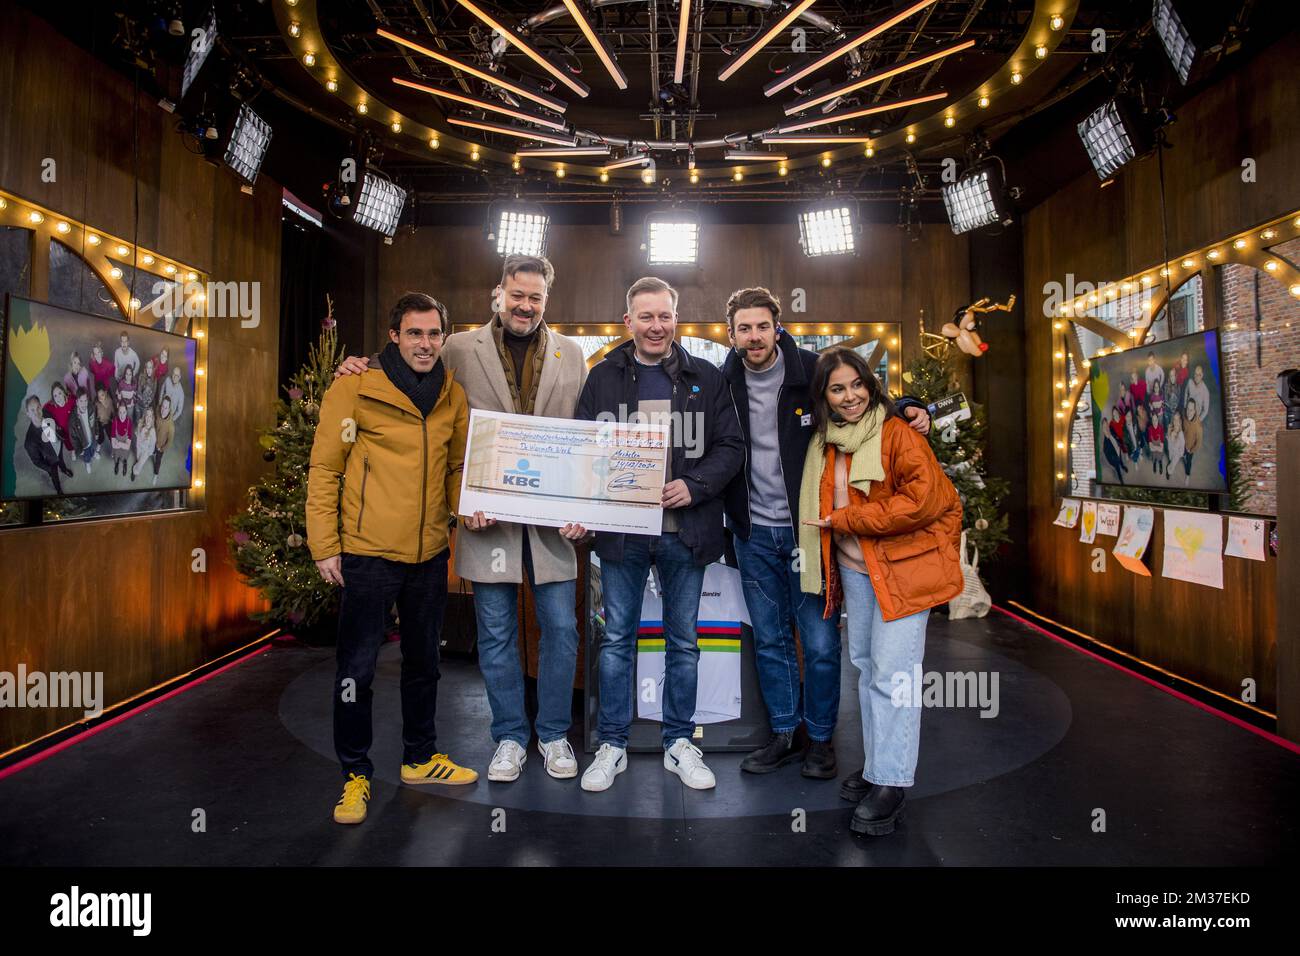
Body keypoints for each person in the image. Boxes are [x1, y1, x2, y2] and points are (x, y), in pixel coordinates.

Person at [334, 255, 589, 784]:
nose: (525, 305)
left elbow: (583, 439)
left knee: (562, 630)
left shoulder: (573, 354)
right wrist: (358, 366)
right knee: (495, 634)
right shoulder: (455, 347)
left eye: (536, 297)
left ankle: (555, 734)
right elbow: (408, 368)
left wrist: (585, 508)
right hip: (485, 519)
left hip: (552, 524)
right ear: (499, 293)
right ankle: (510, 739)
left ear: (547, 299)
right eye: (516, 295)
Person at [719, 286, 932, 783]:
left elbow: (864, 401)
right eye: (744, 329)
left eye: (762, 326)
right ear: (730, 335)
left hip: (810, 535)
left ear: (778, 327)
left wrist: (911, 406)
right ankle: (786, 733)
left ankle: (820, 739)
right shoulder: (720, 381)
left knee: (818, 642)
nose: (754, 337)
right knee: (770, 640)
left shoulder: (812, 370)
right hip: (751, 533)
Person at [308, 292, 473, 826]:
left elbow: (455, 469)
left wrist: (465, 509)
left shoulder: (452, 394)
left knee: (425, 665)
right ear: (395, 336)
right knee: (356, 669)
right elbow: (325, 469)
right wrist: (324, 545)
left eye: (433, 334)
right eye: (414, 333)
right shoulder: (353, 385)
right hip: (368, 552)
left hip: (429, 554)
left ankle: (419, 758)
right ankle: (354, 774)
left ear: (442, 337)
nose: (425, 344)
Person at [575, 276, 744, 793]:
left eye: (664, 315)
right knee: (619, 639)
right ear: (628, 321)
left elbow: (732, 447)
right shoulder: (602, 378)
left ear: (677, 319)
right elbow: (584, 448)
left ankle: (678, 742)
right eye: (645, 316)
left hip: (686, 533)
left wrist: (694, 486)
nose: (656, 325)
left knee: (683, 642)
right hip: (622, 536)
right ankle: (612, 744)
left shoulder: (708, 377)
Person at [799, 347, 962, 836]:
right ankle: (877, 768)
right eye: (837, 388)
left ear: (870, 385)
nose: (850, 396)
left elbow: (923, 501)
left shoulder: (898, 433)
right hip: (856, 569)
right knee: (869, 670)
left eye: (857, 385)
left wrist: (847, 519)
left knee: (895, 677)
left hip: (904, 569)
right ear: (825, 396)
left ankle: (892, 783)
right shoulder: (826, 441)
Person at [21, 395, 71, 494]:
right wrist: (50, 469)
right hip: (50, 461)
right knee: (55, 476)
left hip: (58, 446)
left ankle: (64, 469)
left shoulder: (46, 412)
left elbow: (55, 423)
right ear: (28, 414)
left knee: (61, 460)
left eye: (38, 407)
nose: (37, 412)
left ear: (41, 405)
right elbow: (36, 461)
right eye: (32, 410)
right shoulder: (29, 442)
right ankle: (58, 489)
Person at [68, 389, 97, 474]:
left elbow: (95, 421)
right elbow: (73, 438)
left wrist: (97, 432)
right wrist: (79, 449)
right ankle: (87, 463)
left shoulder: (91, 407)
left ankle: (93, 454)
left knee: (92, 448)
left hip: (92, 438)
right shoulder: (72, 420)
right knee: (86, 455)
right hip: (83, 445)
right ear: (77, 402)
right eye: (81, 401)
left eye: (85, 400)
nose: (84, 404)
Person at [42, 383, 75, 454]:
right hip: (64, 432)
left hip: (74, 428)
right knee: (68, 443)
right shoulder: (51, 407)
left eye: (59, 393)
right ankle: (73, 451)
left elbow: (77, 399)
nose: (58, 398)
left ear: (64, 392)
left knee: (76, 439)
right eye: (55, 396)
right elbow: (43, 409)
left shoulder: (71, 400)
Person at [152, 396, 175, 484]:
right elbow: (154, 420)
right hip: (153, 441)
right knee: (151, 451)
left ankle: (156, 474)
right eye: (162, 406)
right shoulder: (158, 409)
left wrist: (161, 449)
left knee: (158, 461)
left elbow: (169, 443)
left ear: (169, 409)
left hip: (160, 447)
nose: (163, 409)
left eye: (166, 408)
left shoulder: (171, 427)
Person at [1103, 407, 1128, 483]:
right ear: (1103, 428)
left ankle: (1123, 466)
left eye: (1107, 424)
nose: (1106, 427)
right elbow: (1106, 452)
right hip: (1113, 457)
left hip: (1118, 450)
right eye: (1104, 425)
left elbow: (1116, 436)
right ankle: (1121, 479)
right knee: (1117, 465)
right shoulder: (1106, 441)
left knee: (1120, 460)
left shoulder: (1111, 429)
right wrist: (1113, 458)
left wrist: (1119, 443)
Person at [131, 407, 156, 482]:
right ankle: (136, 463)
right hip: (139, 447)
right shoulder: (140, 423)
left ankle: (135, 471)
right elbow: (137, 434)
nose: (148, 418)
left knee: (140, 463)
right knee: (138, 459)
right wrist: (137, 445)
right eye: (147, 415)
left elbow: (152, 444)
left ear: (152, 418)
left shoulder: (152, 431)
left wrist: (149, 453)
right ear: (144, 416)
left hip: (146, 451)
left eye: (150, 416)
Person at [109, 400, 133, 477]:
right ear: (117, 412)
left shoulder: (129, 422)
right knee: (116, 456)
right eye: (120, 412)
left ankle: (124, 463)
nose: (122, 415)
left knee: (124, 456)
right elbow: (113, 445)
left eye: (124, 412)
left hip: (121, 446)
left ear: (127, 412)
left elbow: (128, 446)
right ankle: (117, 463)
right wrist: (123, 444)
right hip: (118, 446)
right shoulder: (115, 422)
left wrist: (118, 443)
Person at [1182, 398, 1203, 486]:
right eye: (1187, 409)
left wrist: (1191, 450)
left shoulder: (1198, 428)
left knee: (1188, 462)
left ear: (1194, 411)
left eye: (1191, 410)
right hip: (1183, 443)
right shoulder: (1184, 415)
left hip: (1190, 448)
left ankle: (1187, 475)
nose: (1188, 412)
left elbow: (1198, 444)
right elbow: (1183, 428)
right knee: (1182, 454)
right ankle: (1183, 454)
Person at [135, 358, 158, 425]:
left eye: (150, 367)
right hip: (138, 403)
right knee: (137, 419)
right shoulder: (141, 376)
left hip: (145, 406)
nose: (149, 370)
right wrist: (140, 400)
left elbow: (153, 395)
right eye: (147, 367)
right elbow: (138, 390)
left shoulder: (154, 380)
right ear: (145, 368)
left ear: (153, 368)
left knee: (143, 421)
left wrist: (145, 403)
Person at [1166, 411, 1185, 484]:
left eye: (1177, 420)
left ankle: (1169, 471)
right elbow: (1167, 438)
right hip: (1170, 449)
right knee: (1170, 458)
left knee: (1172, 465)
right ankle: (1170, 465)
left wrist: (1179, 455)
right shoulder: (1170, 427)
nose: (1175, 422)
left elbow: (1182, 448)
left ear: (1180, 421)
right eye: (1174, 419)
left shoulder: (1181, 435)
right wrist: (1170, 435)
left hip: (1176, 454)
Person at [1147, 409, 1166, 476]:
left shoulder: (1161, 429)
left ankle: (1160, 463)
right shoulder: (1149, 429)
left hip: (1158, 449)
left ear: (1158, 420)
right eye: (1153, 420)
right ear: (1151, 421)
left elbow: (1161, 448)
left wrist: (1154, 447)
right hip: (1155, 449)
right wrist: (1156, 447)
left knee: (1160, 457)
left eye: (1156, 420)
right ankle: (1154, 463)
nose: (1154, 422)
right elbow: (1150, 447)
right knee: (1154, 457)